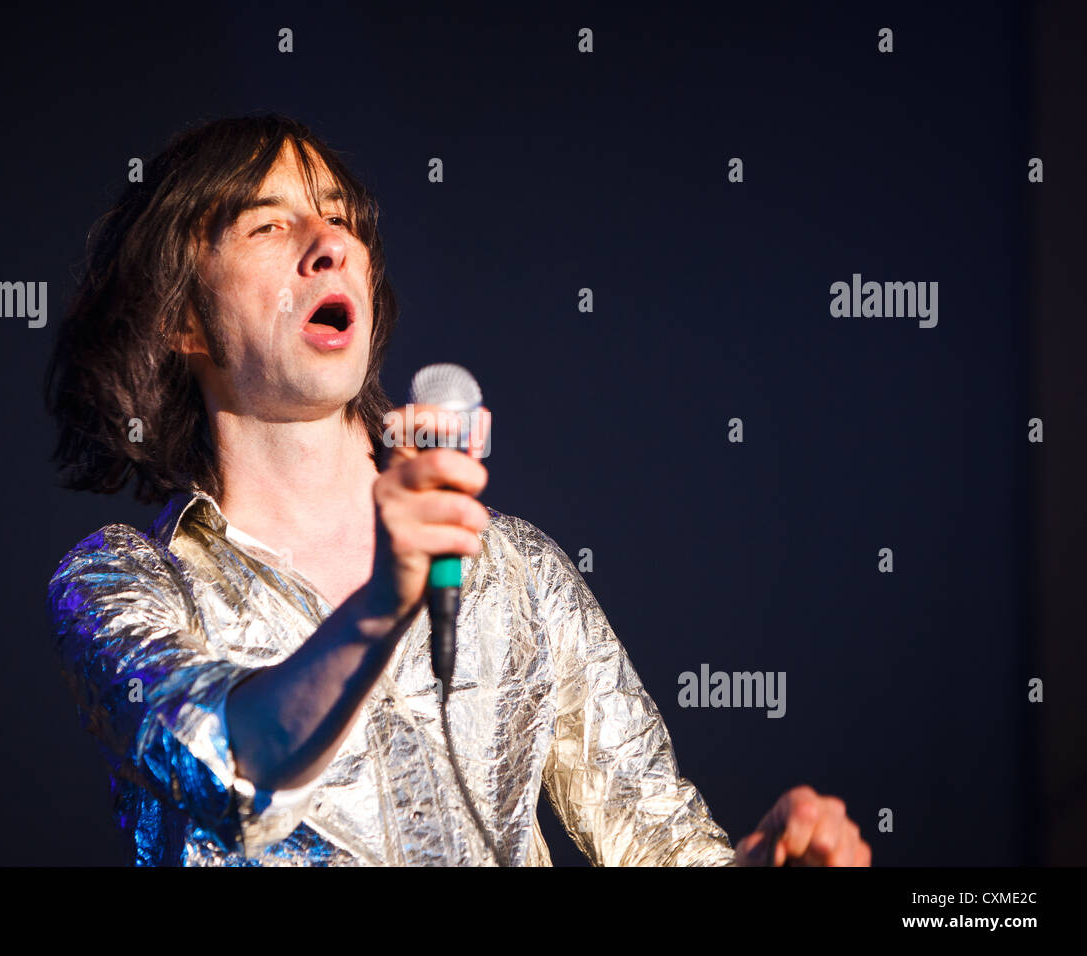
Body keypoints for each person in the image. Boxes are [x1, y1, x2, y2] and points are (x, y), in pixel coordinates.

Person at [44, 113, 871, 867]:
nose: (329, 242)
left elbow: (663, 842)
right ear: (182, 320)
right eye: (269, 223)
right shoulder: (125, 582)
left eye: (340, 218)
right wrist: (381, 603)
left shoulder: (517, 569)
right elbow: (217, 765)